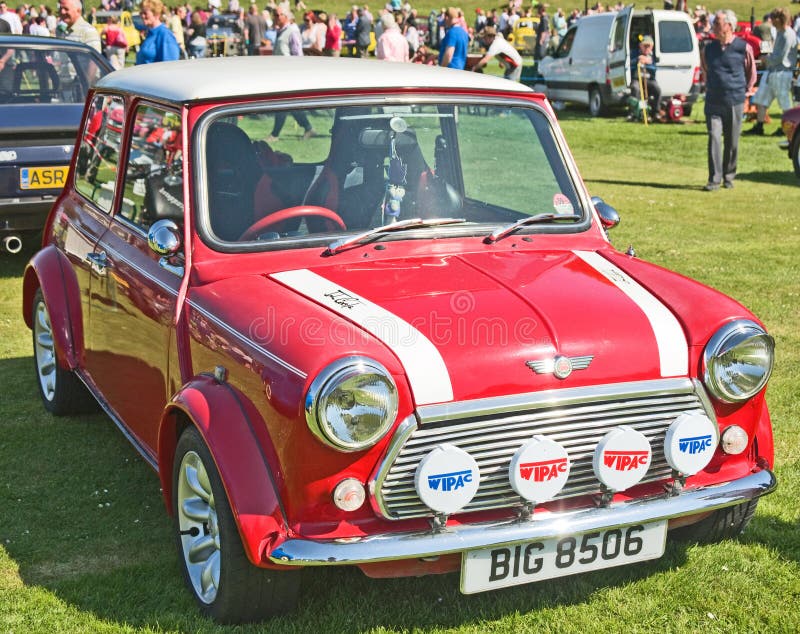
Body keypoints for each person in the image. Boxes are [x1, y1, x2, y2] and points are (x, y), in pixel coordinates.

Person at [700, 9, 756, 191]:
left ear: (729, 26)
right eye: (714, 23)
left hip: (735, 99)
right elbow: (705, 70)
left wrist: (746, 92)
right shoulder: (708, 49)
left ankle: (728, 176)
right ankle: (714, 179)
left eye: (717, 23)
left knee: (732, 141)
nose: (714, 26)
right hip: (713, 100)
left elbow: (751, 72)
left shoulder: (743, 47)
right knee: (714, 137)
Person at [267, 2, 316, 142]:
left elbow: (297, 55)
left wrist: (296, 75)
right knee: (290, 106)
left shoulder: (292, 31)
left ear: (286, 16)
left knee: (282, 104)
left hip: (289, 75)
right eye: (274, 14)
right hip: (281, 75)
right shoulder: (281, 30)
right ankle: (308, 128)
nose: (275, 17)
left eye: (278, 15)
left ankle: (275, 135)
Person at [745, 8, 798, 136]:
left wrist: (765, 59)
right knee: (762, 99)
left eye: (773, 19)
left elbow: (780, 57)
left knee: (784, 102)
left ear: (779, 19)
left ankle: (786, 129)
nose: (771, 21)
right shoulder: (779, 32)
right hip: (772, 72)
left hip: (782, 73)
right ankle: (759, 126)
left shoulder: (788, 35)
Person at [627, 35, 661, 121]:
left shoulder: (653, 56)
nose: (647, 48)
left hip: (649, 79)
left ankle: (655, 112)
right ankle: (633, 113)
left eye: (648, 46)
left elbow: (655, 68)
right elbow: (628, 64)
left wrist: (648, 63)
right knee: (635, 88)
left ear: (652, 46)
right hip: (637, 78)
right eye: (645, 45)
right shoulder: (634, 53)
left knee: (657, 89)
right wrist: (637, 60)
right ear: (640, 46)